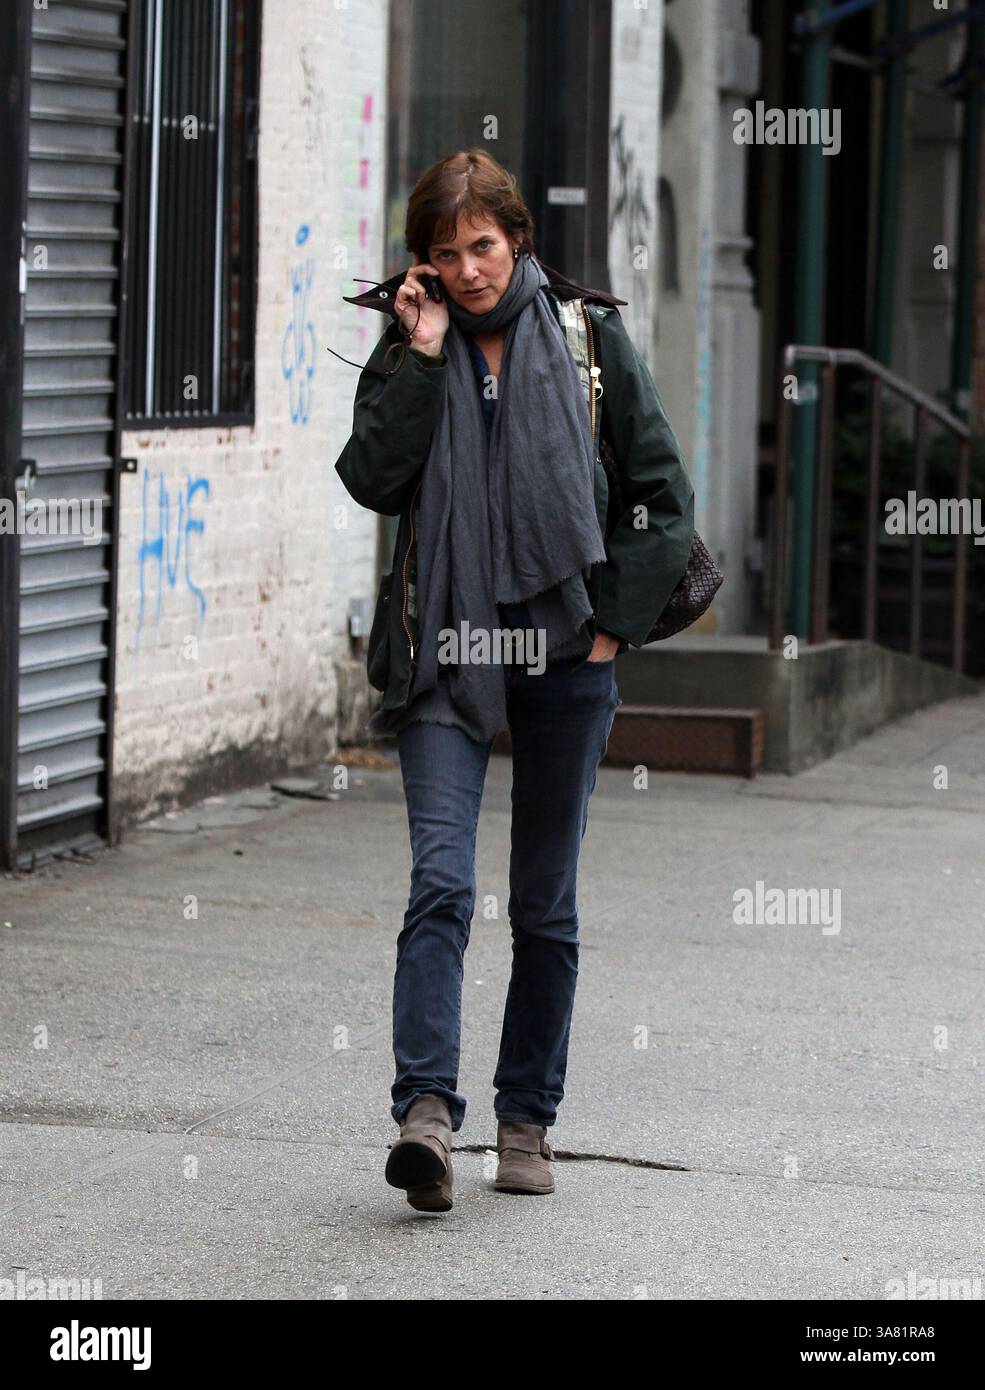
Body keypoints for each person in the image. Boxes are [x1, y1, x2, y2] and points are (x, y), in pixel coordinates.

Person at [335, 148, 694, 1212]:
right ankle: (425, 1117)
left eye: (481, 246)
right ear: (423, 263)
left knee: (543, 903)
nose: (467, 268)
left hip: (559, 656)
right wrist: (423, 351)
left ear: (517, 239)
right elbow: (371, 478)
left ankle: (526, 1118)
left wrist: (606, 632)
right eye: (444, 254)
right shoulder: (414, 343)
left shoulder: (588, 338)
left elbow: (662, 500)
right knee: (440, 883)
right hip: (444, 652)